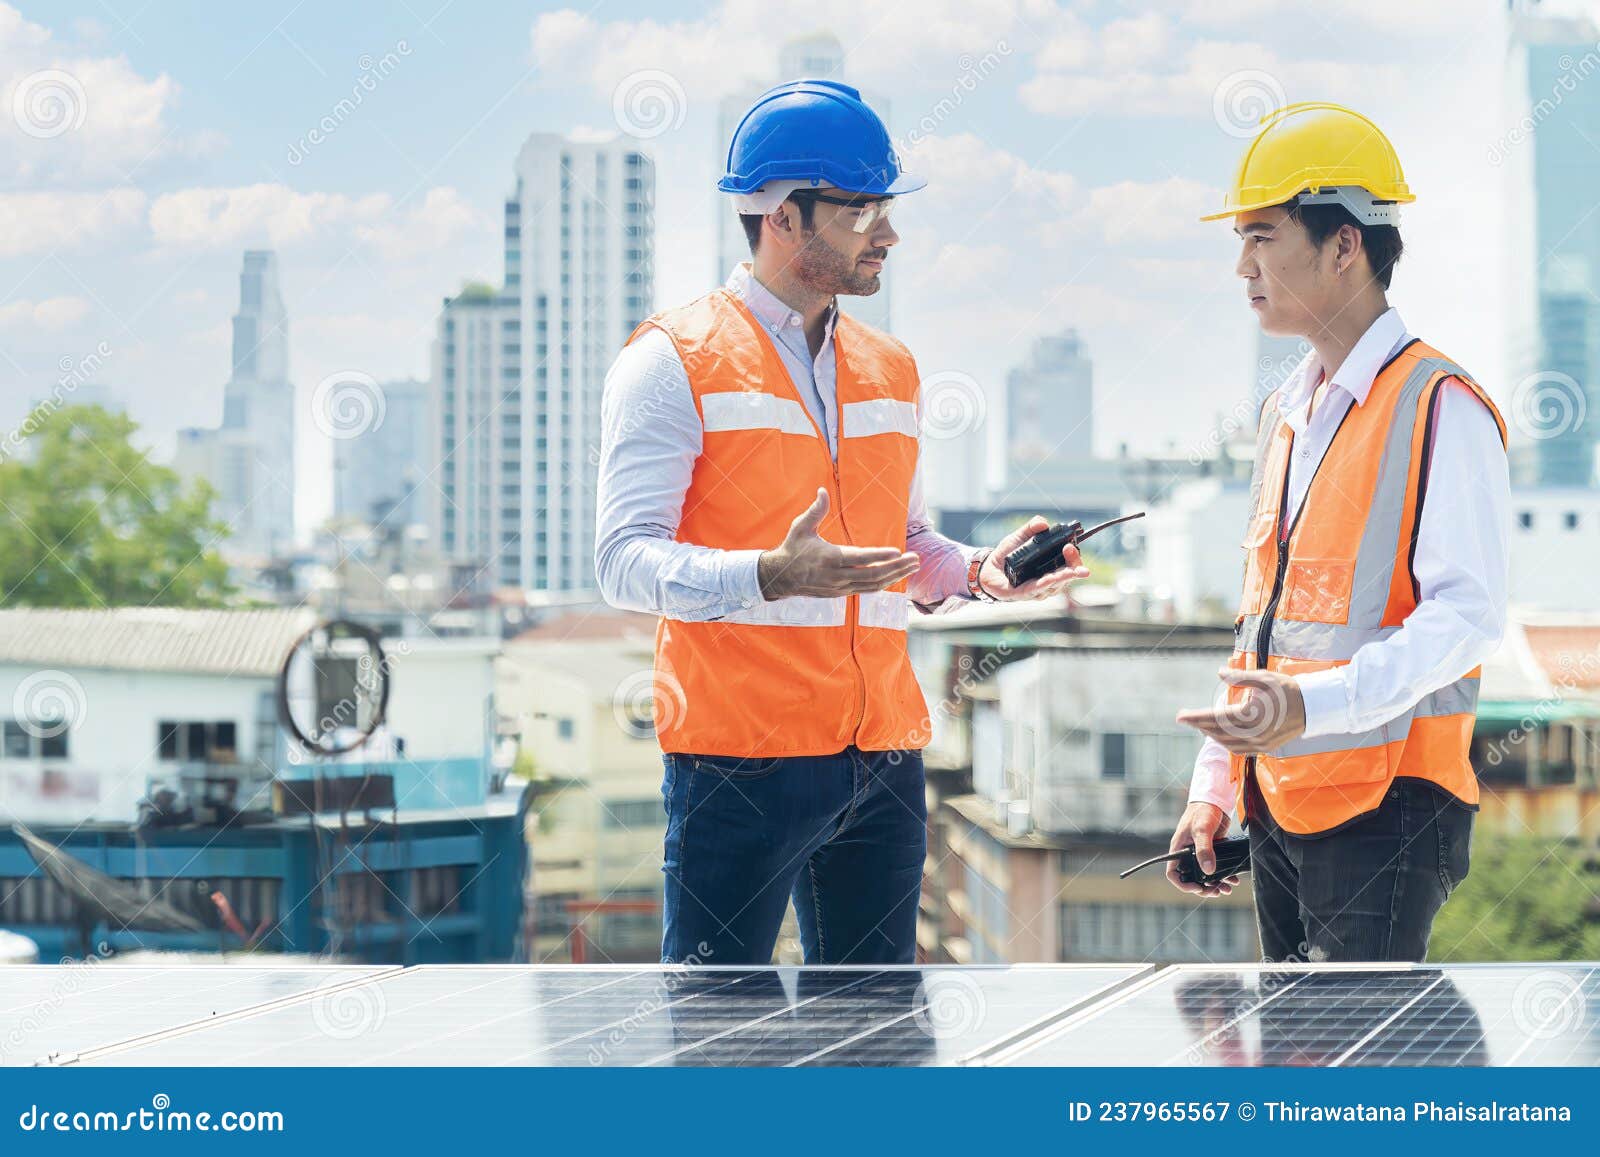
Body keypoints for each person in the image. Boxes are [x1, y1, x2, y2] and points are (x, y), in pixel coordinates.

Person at [596, 79, 1088, 966]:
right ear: (783, 217)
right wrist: (766, 575)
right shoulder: (672, 361)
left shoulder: (891, 368)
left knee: (880, 1028)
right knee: (716, 1029)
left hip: (883, 760)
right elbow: (623, 561)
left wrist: (983, 570)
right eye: (863, 211)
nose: (888, 234)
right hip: (738, 764)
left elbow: (904, 546)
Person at [1170, 103, 1510, 963]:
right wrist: (1217, 782)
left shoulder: (1440, 404)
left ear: (1345, 244)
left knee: (1361, 1046)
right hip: (1280, 799)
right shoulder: (1286, 415)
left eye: (1263, 236)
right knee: (1298, 1040)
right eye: (1241, 240)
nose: (1242, 265)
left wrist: (1311, 708)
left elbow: (1467, 617)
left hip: (1387, 806)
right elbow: (1262, 624)